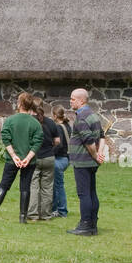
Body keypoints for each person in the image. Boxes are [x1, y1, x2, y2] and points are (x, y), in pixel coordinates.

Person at [0, 91, 43, 222]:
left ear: (19, 104)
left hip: (12, 160)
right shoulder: (36, 123)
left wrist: (14, 156)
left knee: (4, 185)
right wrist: (27, 158)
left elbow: (5, 138)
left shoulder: (10, 120)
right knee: (25, 187)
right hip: (30, 161)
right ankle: (23, 217)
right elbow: (37, 142)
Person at [67, 88, 106, 235]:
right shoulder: (93, 115)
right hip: (91, 162)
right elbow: (102, 136)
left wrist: (96, 155)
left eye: (73, 99)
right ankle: (93, 223)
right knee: (91, 193)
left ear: (81, 100)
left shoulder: (82, 117)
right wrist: (100, 154)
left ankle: (85, 225)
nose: (70, 101)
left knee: (84, 194)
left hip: (83, 161)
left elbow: (89, 140)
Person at [26, 98, 60, 221]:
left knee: (33, 186)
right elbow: (57, 141)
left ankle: (33, 214)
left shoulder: (29, 122)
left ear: (31, 108)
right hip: (49, 158)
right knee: (47, 188)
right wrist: (50, 147)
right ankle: (46, 215)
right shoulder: (50, 122)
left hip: (33, 158)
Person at [51, 105, 71, 218]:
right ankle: (56, 209)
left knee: (58, 185)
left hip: (59, 158)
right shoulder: (67, 125)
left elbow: (59, 145)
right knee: (57, 185)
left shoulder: (58, 127)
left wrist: (49, 153)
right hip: (67, 158)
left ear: (54, 115)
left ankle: (61, 210)